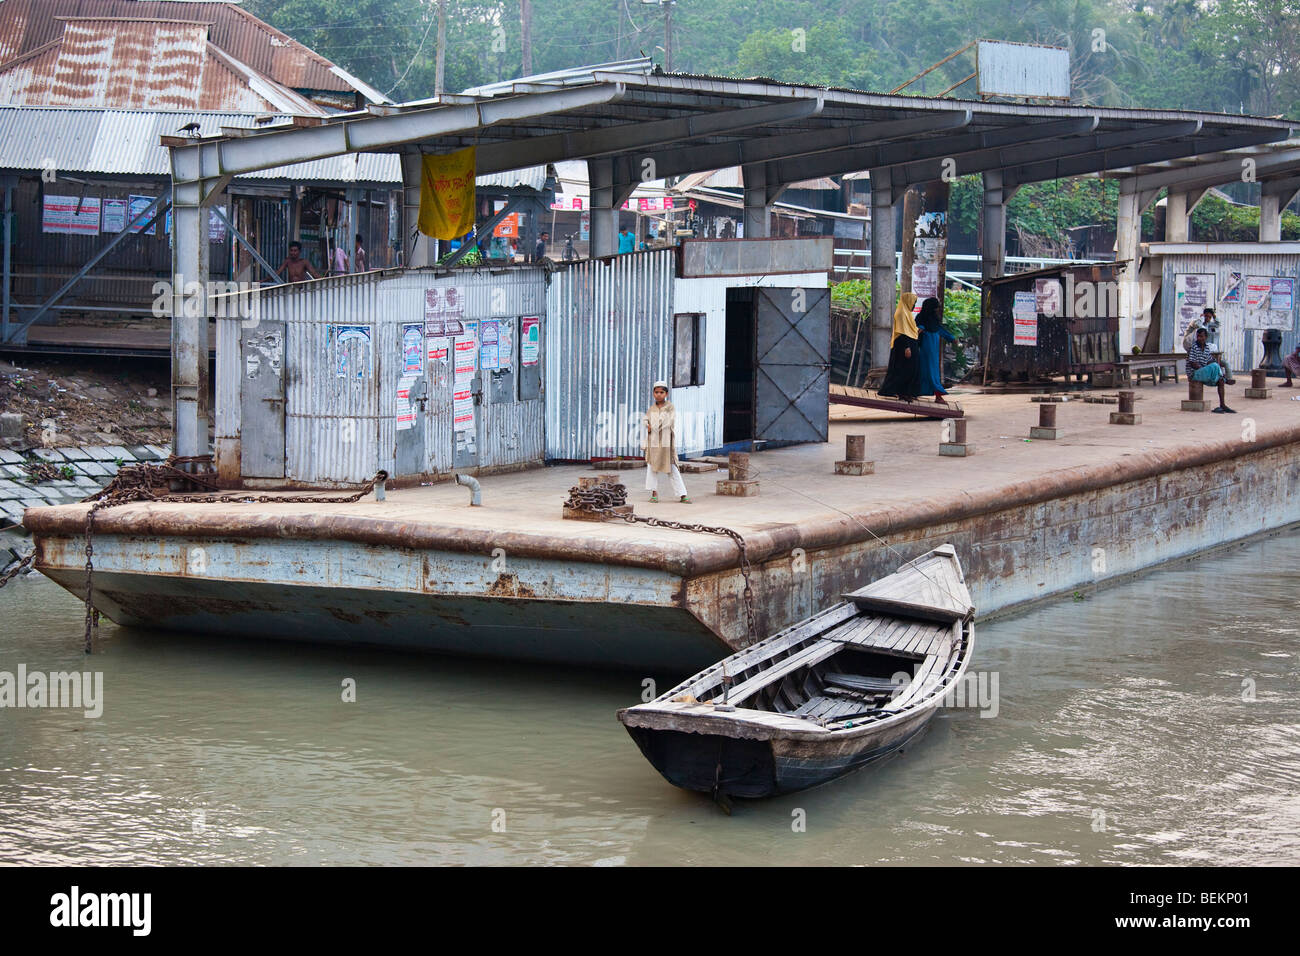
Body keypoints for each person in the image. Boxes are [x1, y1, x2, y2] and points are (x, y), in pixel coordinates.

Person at [643, 380, 690, 504]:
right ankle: (654, 494)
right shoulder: (651, 408)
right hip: (652, 443)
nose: (659, 394)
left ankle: (682, 494)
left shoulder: (670, 407)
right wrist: (647, 425)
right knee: (652, 468)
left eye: (661, 392)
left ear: (666, 394)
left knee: (672, 467)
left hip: (666, 443)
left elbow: (668, 422)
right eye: (656, 392)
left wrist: (652, 426)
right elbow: (645, 419)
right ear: (653, 393)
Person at [1184, 315, 1236, 413]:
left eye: (1202, 336)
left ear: (1206, 337)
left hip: (1204, 373)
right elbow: (1192, 363)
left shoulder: (1207, 348)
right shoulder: (1194, 347)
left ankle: (1223, 404)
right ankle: (1226, 379)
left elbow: (1209, 360)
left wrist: (1208, 370)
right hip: (1194, 374)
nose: (1200, 338)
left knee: (1219, 380)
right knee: (1215, 366)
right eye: (1198, 336)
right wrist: (1206, 369)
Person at [878, 291, 921, 403]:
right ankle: (902, 393)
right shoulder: (901, 313)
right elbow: (902, 332)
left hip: (911, 343)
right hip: (903, 345)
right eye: (913, 302)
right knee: (904, 370)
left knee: (911, 369)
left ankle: (907, 392)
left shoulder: (907, 313)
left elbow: (910, 330)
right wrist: (907, 347)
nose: (914, 305)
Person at [915, 296, 956, 404]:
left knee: (927, 370)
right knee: (930, 371)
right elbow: (917, 329)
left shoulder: (932, 318)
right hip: (926, 347)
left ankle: (919, 392)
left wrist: (952, 338)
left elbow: (940, 330)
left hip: (932, 348)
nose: (937, 309)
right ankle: (938, 396)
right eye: (936, 307)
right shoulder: (922, 318)